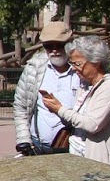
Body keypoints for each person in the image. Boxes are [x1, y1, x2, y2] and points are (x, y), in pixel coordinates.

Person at [38, 34, 110, 169]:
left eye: (77, 64)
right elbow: (77, 120)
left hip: (103, 163)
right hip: (80, 159)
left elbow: (92, 125)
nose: (73, 68)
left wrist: (60, 109)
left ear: (96, 62)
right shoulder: (85, 86)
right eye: (71, 63)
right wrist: (55, 108)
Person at [12, 19, 78, 155]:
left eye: (60, 45)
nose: (54, 50)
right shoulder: (34, 68)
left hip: (73, 149)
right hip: (37, 146)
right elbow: (21, 106)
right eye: (48, 46)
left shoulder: (81, 70)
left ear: (70, 44)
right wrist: (24, 139)